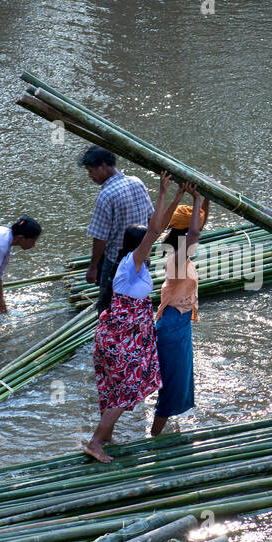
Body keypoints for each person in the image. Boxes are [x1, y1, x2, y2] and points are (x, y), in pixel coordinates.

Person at [84, 173, 181, 462]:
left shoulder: (135, 267)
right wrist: (163, 190)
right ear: (140, 246)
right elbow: (153, 231)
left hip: (120, 335)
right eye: (148, 243)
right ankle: (95, 442)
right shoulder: (131, 263)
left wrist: (177, 197)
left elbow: (158, 228)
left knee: (113, 387)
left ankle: (107, 436)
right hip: (122, 338)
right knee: (128, 390)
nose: (152, 245)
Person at [151, 188, 208, 436]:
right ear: (185, 234)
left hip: (180, 325)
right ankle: (154, 435)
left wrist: (206, 196)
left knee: (179, 380)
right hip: (172, 326)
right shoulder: (177, 258)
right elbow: (196, 231)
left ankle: (159, 431)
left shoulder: (180, 252)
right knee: (173, 383)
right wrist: (196, 199)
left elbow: (198, 227)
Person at [80, 145, 153, 313]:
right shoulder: (137, 182)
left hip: (116, 261)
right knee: (135, 304)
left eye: (91, 171)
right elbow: (151, 220)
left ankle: (109, 336)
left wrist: (93, 267)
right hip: (141, 259)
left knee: (108, 305)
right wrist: (147, 251)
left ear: (103, 166)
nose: (90, 176)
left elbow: (100, 238)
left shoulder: (107, 195)